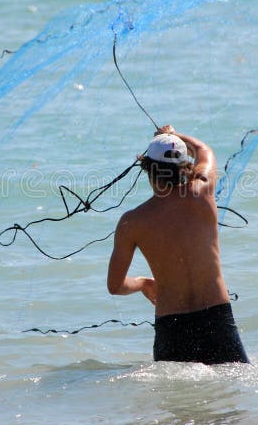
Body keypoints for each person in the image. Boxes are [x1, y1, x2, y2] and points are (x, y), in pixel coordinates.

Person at [106, 124, 249, 365]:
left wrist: (142, 284)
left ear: (147, 169)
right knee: (229, 397)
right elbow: (203, 149)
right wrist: (173, 135)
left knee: (178, 401)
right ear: (186, 166)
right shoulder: (203, 191)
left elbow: (115, 286)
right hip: (217, 318)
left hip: (172, 328)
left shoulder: (132, 222)